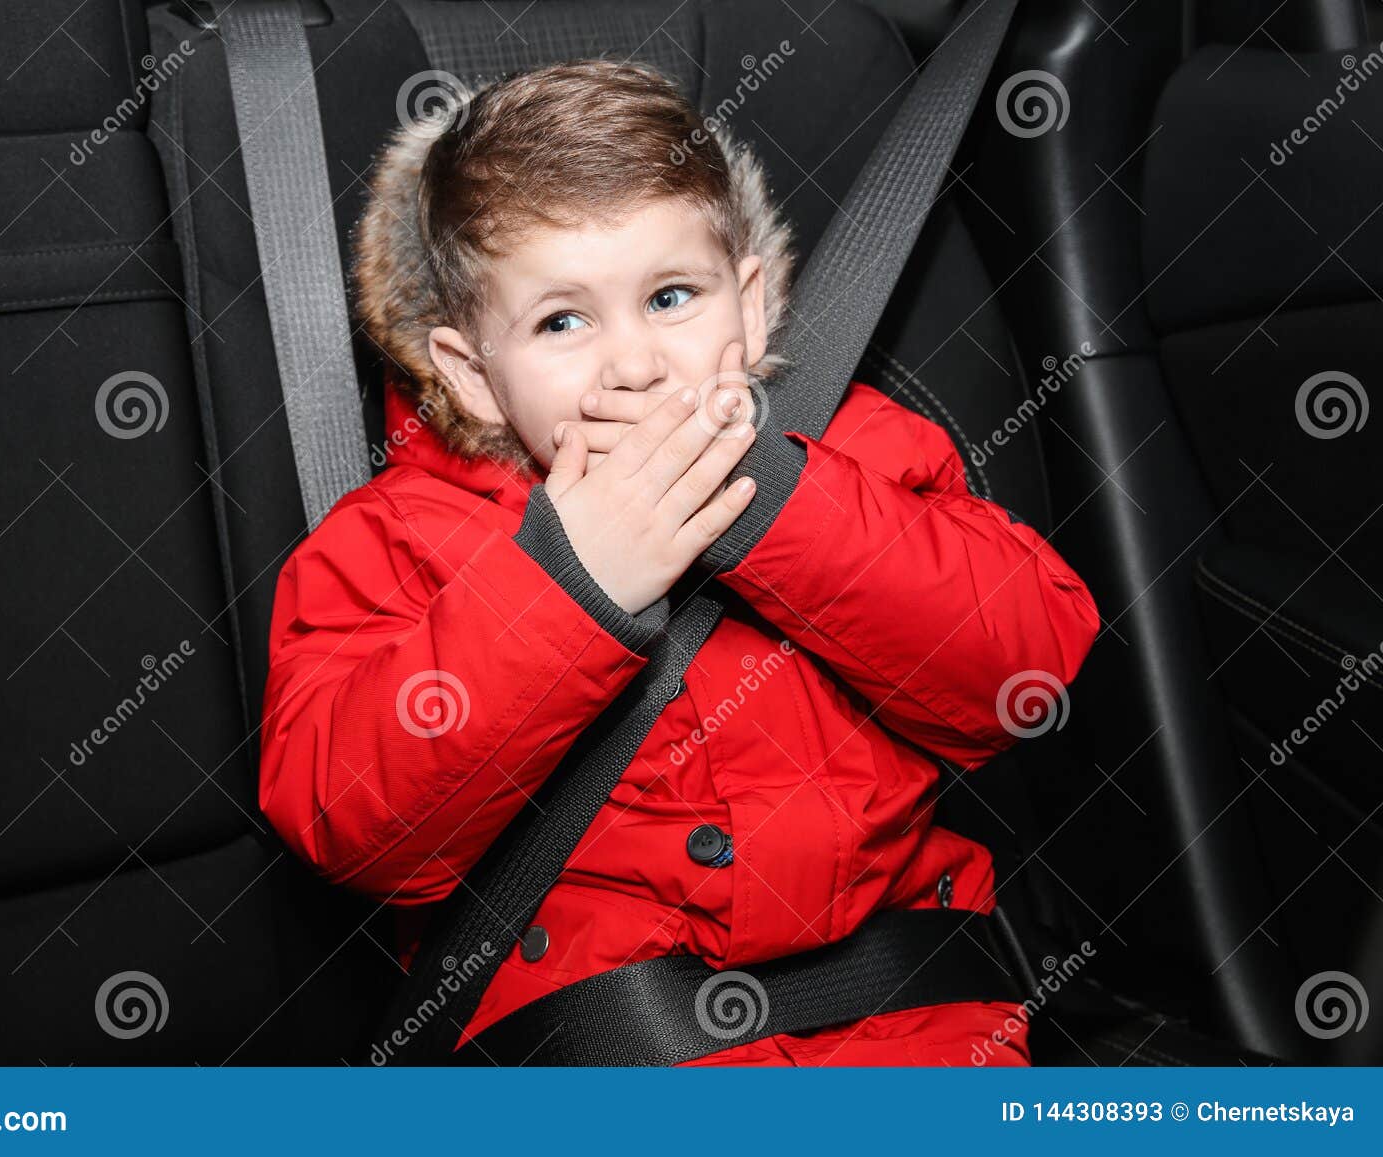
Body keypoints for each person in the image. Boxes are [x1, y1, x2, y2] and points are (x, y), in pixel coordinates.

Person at [258, 58, 1101, 1065]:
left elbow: (1028, 666)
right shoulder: (395, 535)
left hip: (914, 1022)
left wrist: (771, 506)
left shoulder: (854, 452)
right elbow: (355, 821)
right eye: (561, 321)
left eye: (669, 297)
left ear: (745, 308)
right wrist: (571, 585)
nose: (634, 363)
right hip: (606, 1045)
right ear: (474, 377)